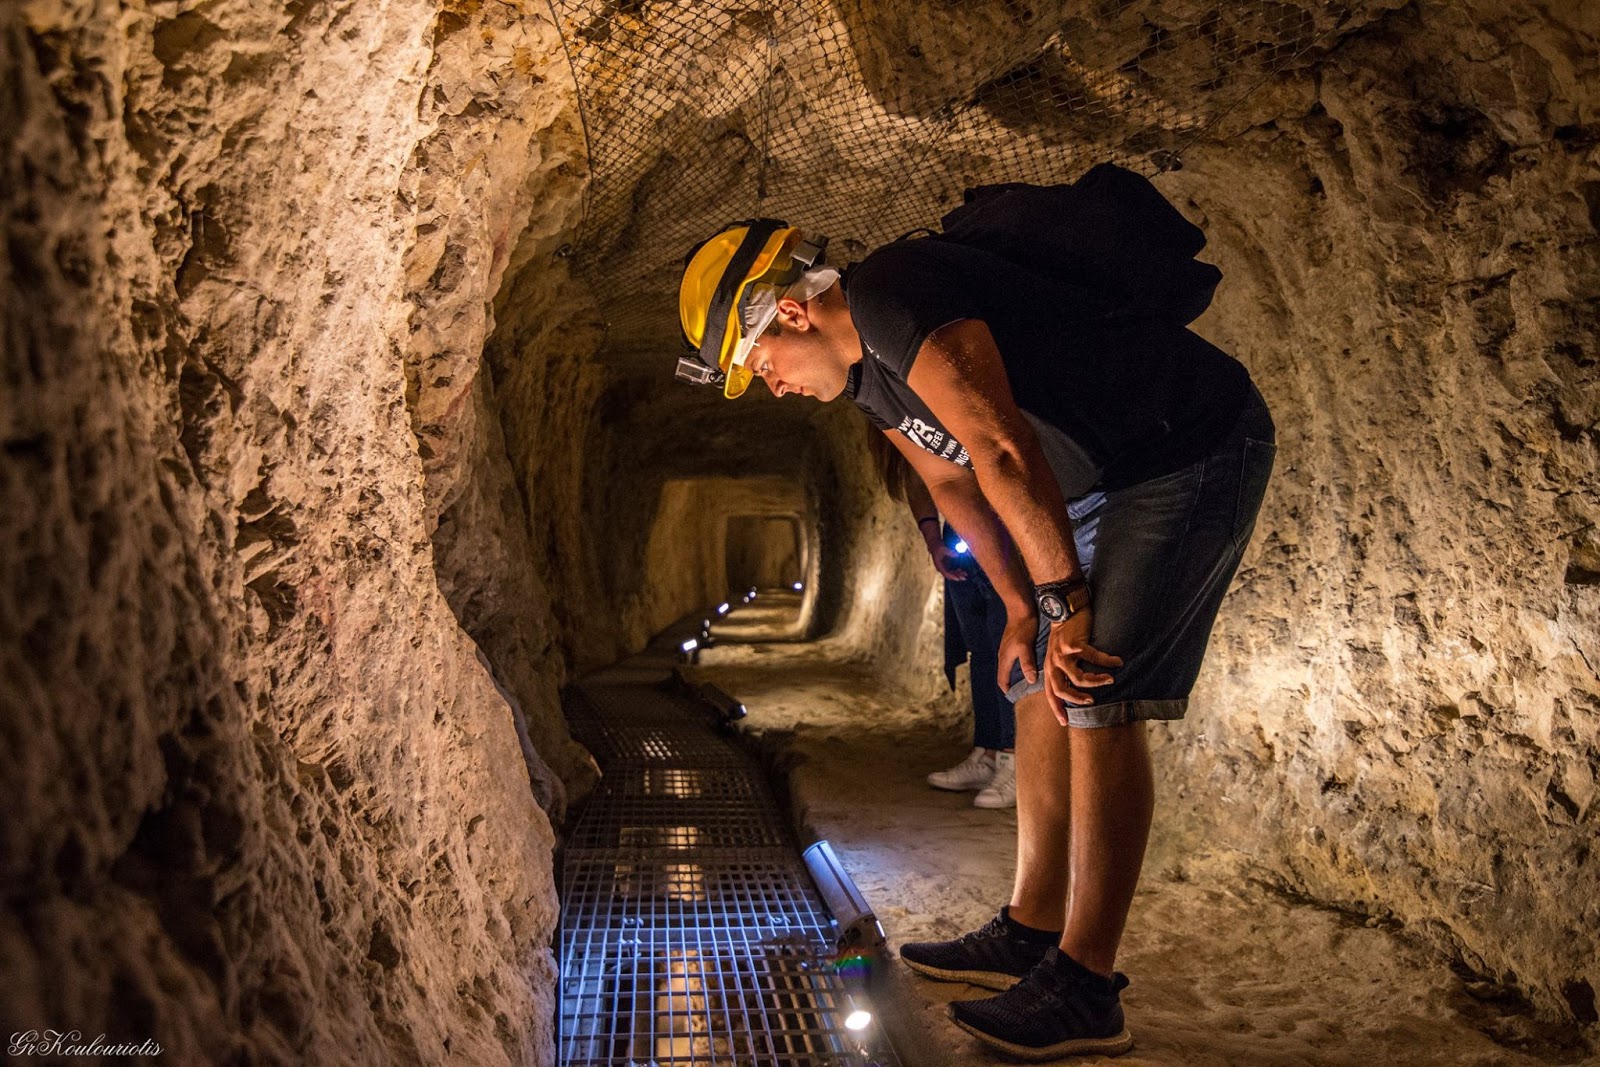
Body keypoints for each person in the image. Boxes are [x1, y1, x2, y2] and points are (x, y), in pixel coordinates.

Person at [676, 166, 1275, 1060]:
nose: (771, 387)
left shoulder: (893, 295)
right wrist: (1020, 610)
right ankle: (1032, 927)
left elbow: (997, 443)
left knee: (1094, 691)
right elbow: (951, 481)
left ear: (791, 313)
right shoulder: (868, 382)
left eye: (759, 364)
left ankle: (1086, 984)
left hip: (1180, 451)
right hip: (1094, 479)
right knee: (1037, 675)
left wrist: (1066, 602)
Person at [867, 429, 1018, 808]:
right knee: (983, 650)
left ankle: (1017, 761)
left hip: (1004, 528)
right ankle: (987, 752)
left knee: (1009, 647)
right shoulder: (898, 421)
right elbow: (917, 478)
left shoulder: (937, 408)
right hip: (964, 538)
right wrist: (935, 540)